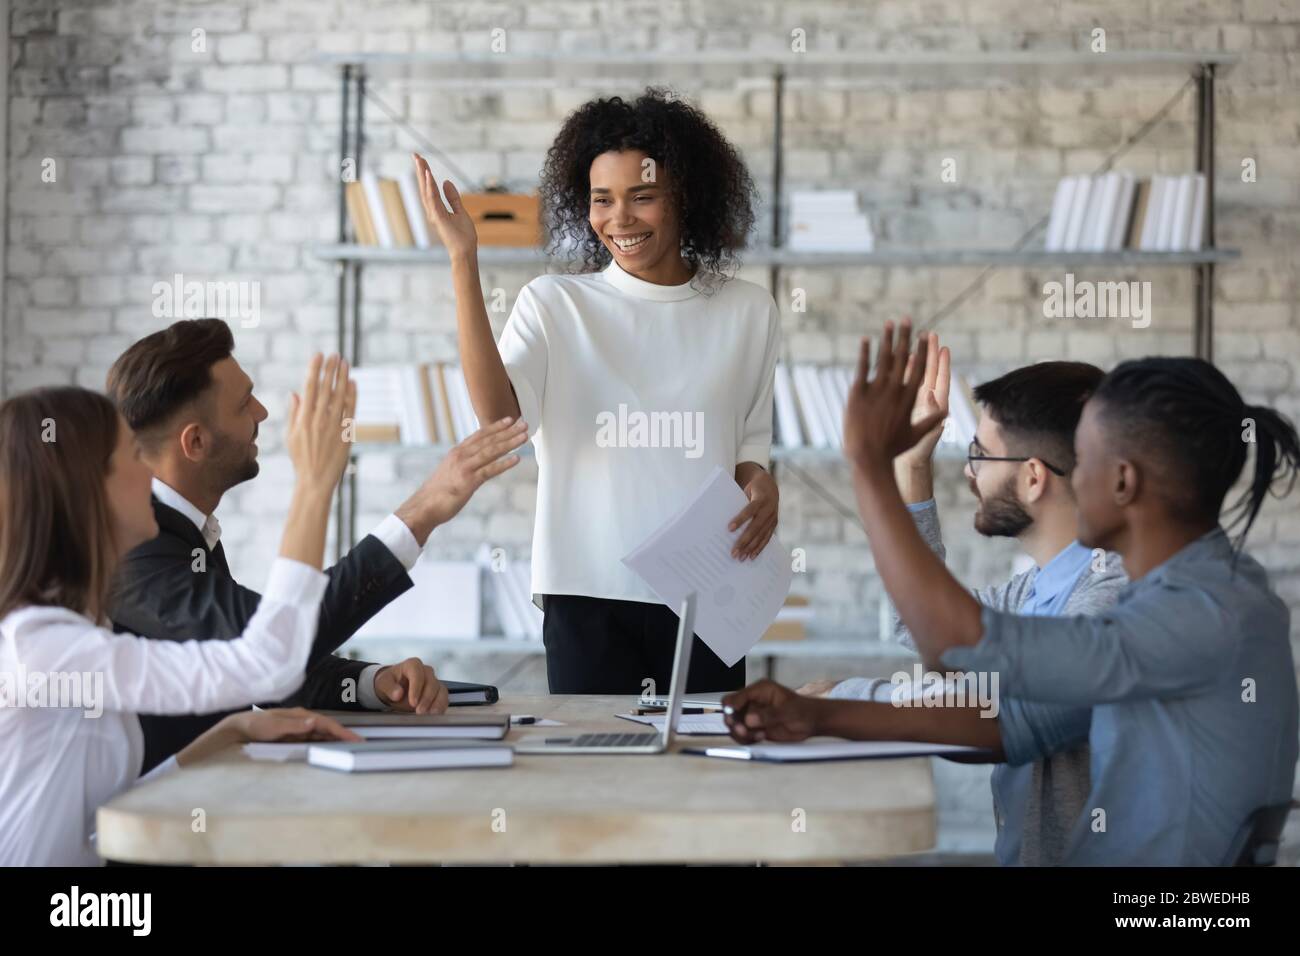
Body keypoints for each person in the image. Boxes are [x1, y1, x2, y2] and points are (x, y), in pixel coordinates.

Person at [724, 323, 1300, 865]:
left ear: (1120, 481)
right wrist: (816, 712)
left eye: (1085, 460)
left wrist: (871, 466)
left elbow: (961, 648)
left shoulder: (1198, 610)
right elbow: (1010, 722)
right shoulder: (1190, 590)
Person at [413, 87, 782, 694]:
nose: (621, 219)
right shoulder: (555, 305)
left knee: (701, 782)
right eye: (602, 200)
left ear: (685, 196)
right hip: (585, 591)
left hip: (708, 594)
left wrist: (760, 482)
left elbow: (749, 442)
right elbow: (500, 418)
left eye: (644, 197)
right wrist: (463, 259)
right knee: (593, 782)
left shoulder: (749, 311)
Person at [107, 320, 521, 773]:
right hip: (157, 822)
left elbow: (259, 662)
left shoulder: (181, 529)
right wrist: (420, 512)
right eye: (244, 403)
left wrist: (372, 684)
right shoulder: (134, 549)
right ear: (196, 441)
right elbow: (267, 647)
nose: (262, 413)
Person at [1, 356, 348, 863]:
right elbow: (267, 663)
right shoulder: (43, 647)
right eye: (133, 459)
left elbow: (111, 812)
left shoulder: (75, 631)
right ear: (88, 491)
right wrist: (314, 487)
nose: (153, 473)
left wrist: (234, 731)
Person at [798, 337, 1126, 865]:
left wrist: (847, 701)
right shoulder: (1035, 591)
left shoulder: (1110, 596)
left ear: (1034, 476)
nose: (970, 472)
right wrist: (910, 468)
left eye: (979, 454)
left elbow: (1008, 713)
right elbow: (929, 630)